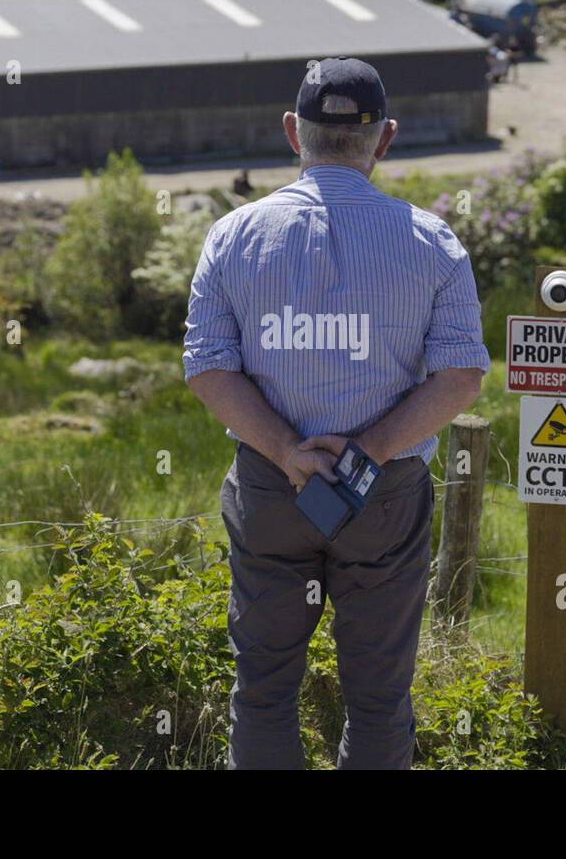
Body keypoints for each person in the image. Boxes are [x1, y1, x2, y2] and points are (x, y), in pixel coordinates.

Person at [182, 57, 490, 769]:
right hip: (383, 494)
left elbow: (207, 367)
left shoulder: (232, 237)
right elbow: (462, 378)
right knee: (380, 696)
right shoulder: (434, 242)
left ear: (295, 132)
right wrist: (373, 451)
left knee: (262, 689)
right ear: (384, 139)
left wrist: (289, 452)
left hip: (270, 487)